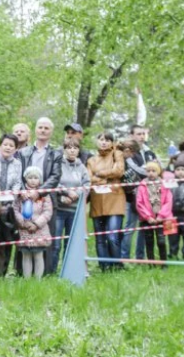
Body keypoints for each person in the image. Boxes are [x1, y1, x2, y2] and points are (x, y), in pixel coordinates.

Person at [17, 117, 62, 273]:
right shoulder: (23, 153)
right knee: (24, 234)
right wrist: (24, 192)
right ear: (35, 130)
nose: (43, 130)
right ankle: (22, 273)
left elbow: (55, 177)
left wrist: (39, 192)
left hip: (46, 200)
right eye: (40, 127)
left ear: (51, 132)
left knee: (45, 238)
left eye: (46, 128)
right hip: (23, 201)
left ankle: (46, 273)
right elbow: (18, 174)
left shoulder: (56, 153)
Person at [86, 132, 125, 271]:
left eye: (107, 140)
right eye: (101, 139)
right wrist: (106, 177)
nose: (104, 142)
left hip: (115, 198)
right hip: (97, 200)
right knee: (100, 238)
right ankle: (104, 267)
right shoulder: (91, 160)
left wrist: (100, 174)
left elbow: (119, 172)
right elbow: (89, 178)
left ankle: (116, 266)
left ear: (112, 142)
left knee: (112, 235)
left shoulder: (117, 154)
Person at [52, 138, 90, 273]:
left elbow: (87, 185)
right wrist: (65, 193)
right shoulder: (58, 164)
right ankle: (52, 270)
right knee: (56, 243)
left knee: (71, 242)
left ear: (78, 150)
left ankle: (68, 270)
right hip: (59, 209)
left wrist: (75, 194)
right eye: (69, 147)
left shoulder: (82, 167)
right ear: (64, 150)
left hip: (74, 211)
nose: (72, 150)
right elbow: (54, 181)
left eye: (75, 148)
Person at [0, 134, 23, 278]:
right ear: (0, 145)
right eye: (6, 144)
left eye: (11, 145)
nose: (8, 147)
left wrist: (11, 197)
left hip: (9, 207)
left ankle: (3, 272)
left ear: (15, 149)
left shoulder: (17, 163)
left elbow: (17, 183)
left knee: (8, 240)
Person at [16, 166, 53, 279]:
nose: (33, 180)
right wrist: (23, 223)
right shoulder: (21, 194)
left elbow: (48, 211)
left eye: (36, 178)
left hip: (39, 230)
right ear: (26, 179)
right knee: (26, 255)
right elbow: (15, 209)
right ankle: (27, 280)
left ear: (40, 180)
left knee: (38, 255)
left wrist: (36, 224)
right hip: (24, 229)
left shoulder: (44, 194)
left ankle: (38, 280)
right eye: (30, 177)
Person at [134, 161, 171, 265]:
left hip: (161, 219)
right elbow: (139, 203)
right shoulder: (142, 185)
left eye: (153, 171)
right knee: (149, 241)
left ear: (158, 172)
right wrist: (148, 217)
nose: (151, 173)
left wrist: (161, 216)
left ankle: (164, 263)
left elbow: (168, 201)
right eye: (148, 171)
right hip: (147, 220)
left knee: (161, 241)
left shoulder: (164, 184)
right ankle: (151, 263)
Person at [119, 139, 146, 262]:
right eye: (131, 153)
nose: (133, 156)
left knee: (141, 227)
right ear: (129, 151)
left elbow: (143, 172)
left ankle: (139, 256)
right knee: (130, 226)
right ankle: (124, 256)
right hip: (129, 198)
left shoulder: (135, 157)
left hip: (139, 196)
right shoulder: (121, 159)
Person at [168, 163, 184, 259]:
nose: (180, 172)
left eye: (183, 169)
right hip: (170, 216)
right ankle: (172, 254)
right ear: (174, 172)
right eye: (178, 169)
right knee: (172, 238)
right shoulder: (169, 184)